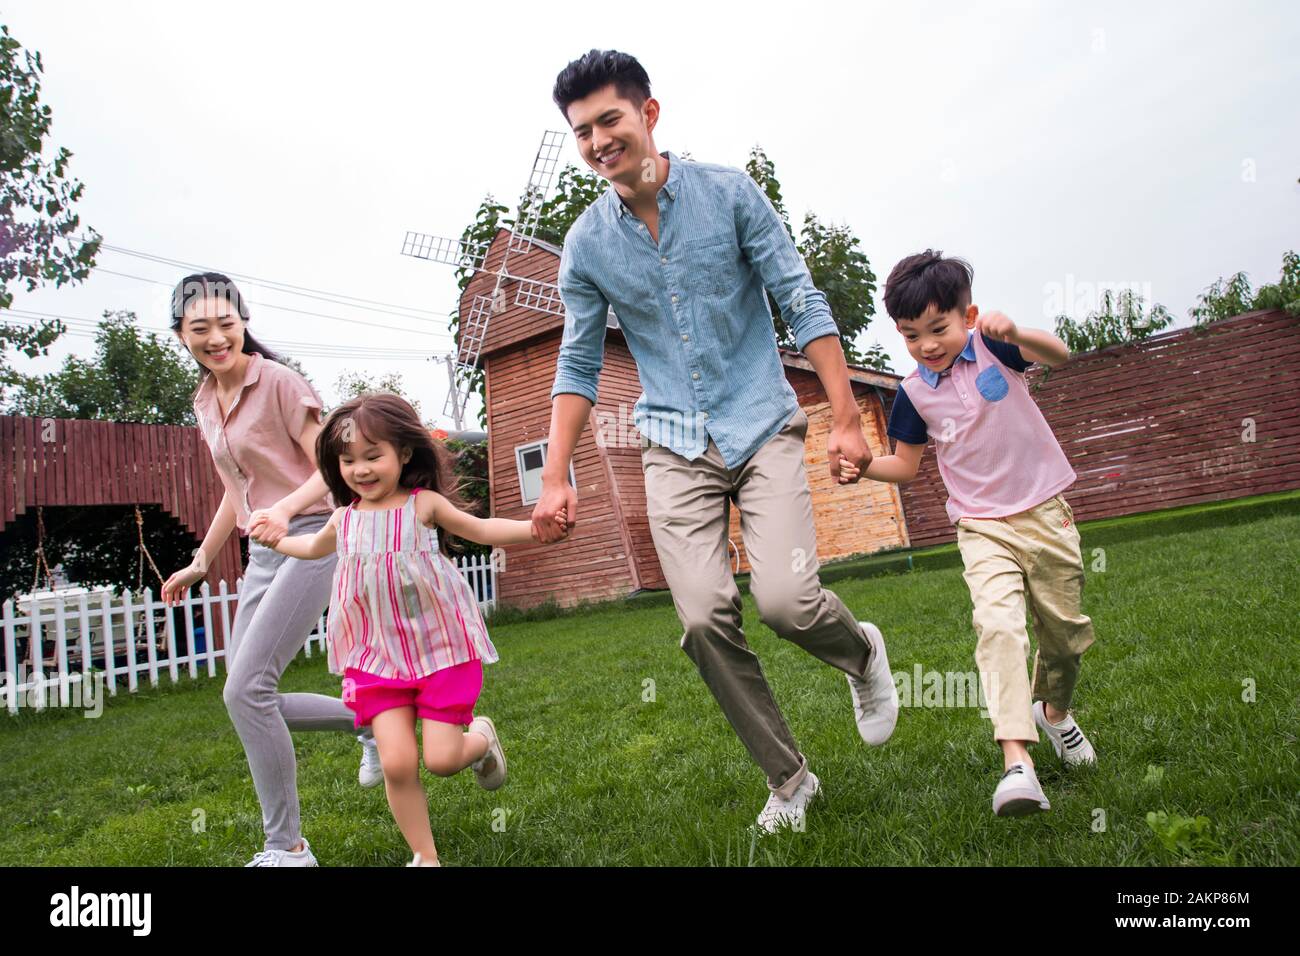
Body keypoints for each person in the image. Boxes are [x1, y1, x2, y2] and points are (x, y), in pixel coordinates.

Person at [531, 50, 899, 834]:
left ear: (649, 115)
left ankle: (861, 655)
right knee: (701, 619)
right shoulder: (587, 245)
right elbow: (579, 360)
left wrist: (842, 415)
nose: (599, 140)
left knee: (788, 601)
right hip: (670, 444)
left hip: (761, 422)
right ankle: (790, 779)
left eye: (610, 120)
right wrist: (555, 471)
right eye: (582, 130)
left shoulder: (730, 194)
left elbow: (801, 299)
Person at [266, 393, 569, 866]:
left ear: (404, 453)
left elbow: (482, 530)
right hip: (375, 658)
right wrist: (277, 536)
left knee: (442, 761)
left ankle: (482, 738)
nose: (360, 470)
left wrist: (538, 529)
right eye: (348, 460)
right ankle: (425, 857)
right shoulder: (342, 520)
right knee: (398, 763)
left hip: (440, 651)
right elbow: (309, 549)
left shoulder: (422, 505)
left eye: (373, 456)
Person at [846, 250, 1098, 817]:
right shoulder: (912, 393)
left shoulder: (995, 348)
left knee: (1065, 637)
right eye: (911, 336)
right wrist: (863, 466)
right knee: (998, 627)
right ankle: (1018, 763)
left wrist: (1020, 331)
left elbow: (1060, 356)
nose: (927, 344)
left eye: (938, 328)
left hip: (1044, 512)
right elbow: (906, 466)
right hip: (981, 525)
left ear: (969, 315)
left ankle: (1053, 714)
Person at [161, 272, 381, 867]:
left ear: (244, 321)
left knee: (245, 688)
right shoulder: (206, 402)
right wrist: (202, 561)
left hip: (316, 534)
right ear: (180, 335)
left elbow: (334, 468)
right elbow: (237, 491)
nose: (215, 337)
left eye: (225, 324)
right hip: (262, 551)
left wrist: (284, 509)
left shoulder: (279, 383)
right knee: (247, 697)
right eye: (199, 328)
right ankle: (372, 720)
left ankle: (286, 848)